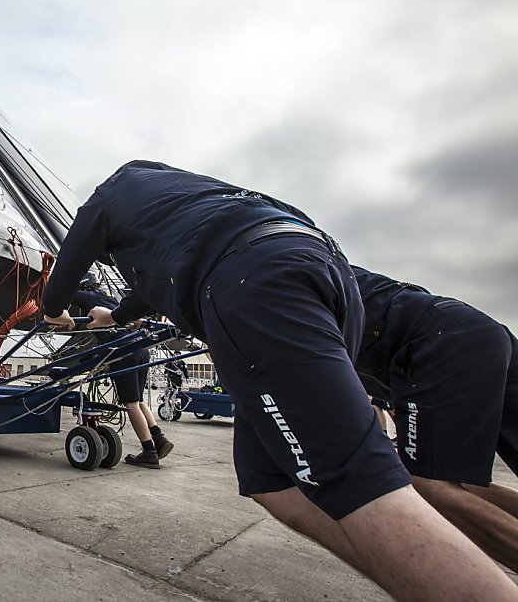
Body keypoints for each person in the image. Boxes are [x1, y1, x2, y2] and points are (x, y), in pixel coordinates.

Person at [40, 160, 517, 600]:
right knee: (270, 481)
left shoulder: (112, 191)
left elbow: (71, 258)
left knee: (366, 484)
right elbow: (143, 297)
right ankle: (412, 569)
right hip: (324, 273)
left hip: (251, 286)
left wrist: (54, 309)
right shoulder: (196, 206)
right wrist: (116, 314)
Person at [353, 265, 518, 570]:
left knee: (425, 483)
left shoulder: (270, 281)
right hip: (478, 331)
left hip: (437, 342)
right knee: (459, 485)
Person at [68, 271, 173, 467]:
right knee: (139, 400)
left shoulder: (87, 296)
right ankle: (159, 439)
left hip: (123, 352)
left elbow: (68, 292)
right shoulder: (111, 297)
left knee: (130, 403)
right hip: (140, 349)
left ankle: (148, 450)